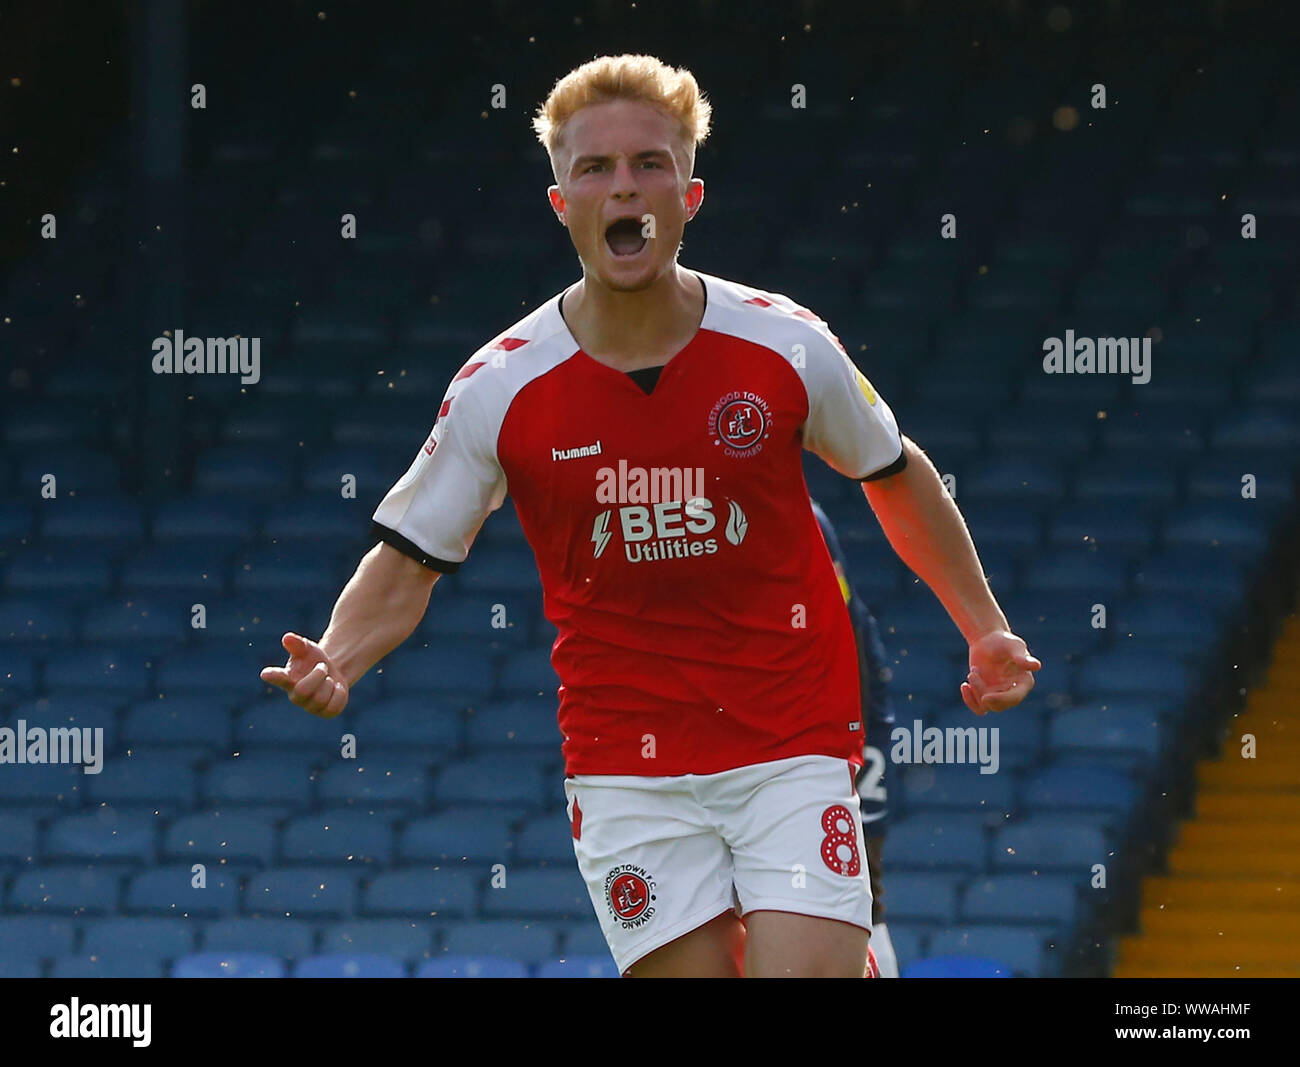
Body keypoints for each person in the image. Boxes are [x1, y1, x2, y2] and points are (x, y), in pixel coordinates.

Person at [260, 53, 1040, 978]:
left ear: (689, 194)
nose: (623, 186)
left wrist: (984, 627)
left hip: (790, 736)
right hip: (624, 762)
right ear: (562, 204)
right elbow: (410, 554)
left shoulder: (786, 343)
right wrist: (340, 656)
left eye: (649, 164)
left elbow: (894, 473)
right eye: (594, 168)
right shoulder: (499, 386)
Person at [810, 498, 900, 978]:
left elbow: (845, 639)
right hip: (806, 734)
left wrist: (855, 748)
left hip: (844, 732)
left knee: (862, 891)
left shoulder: (805, 521)